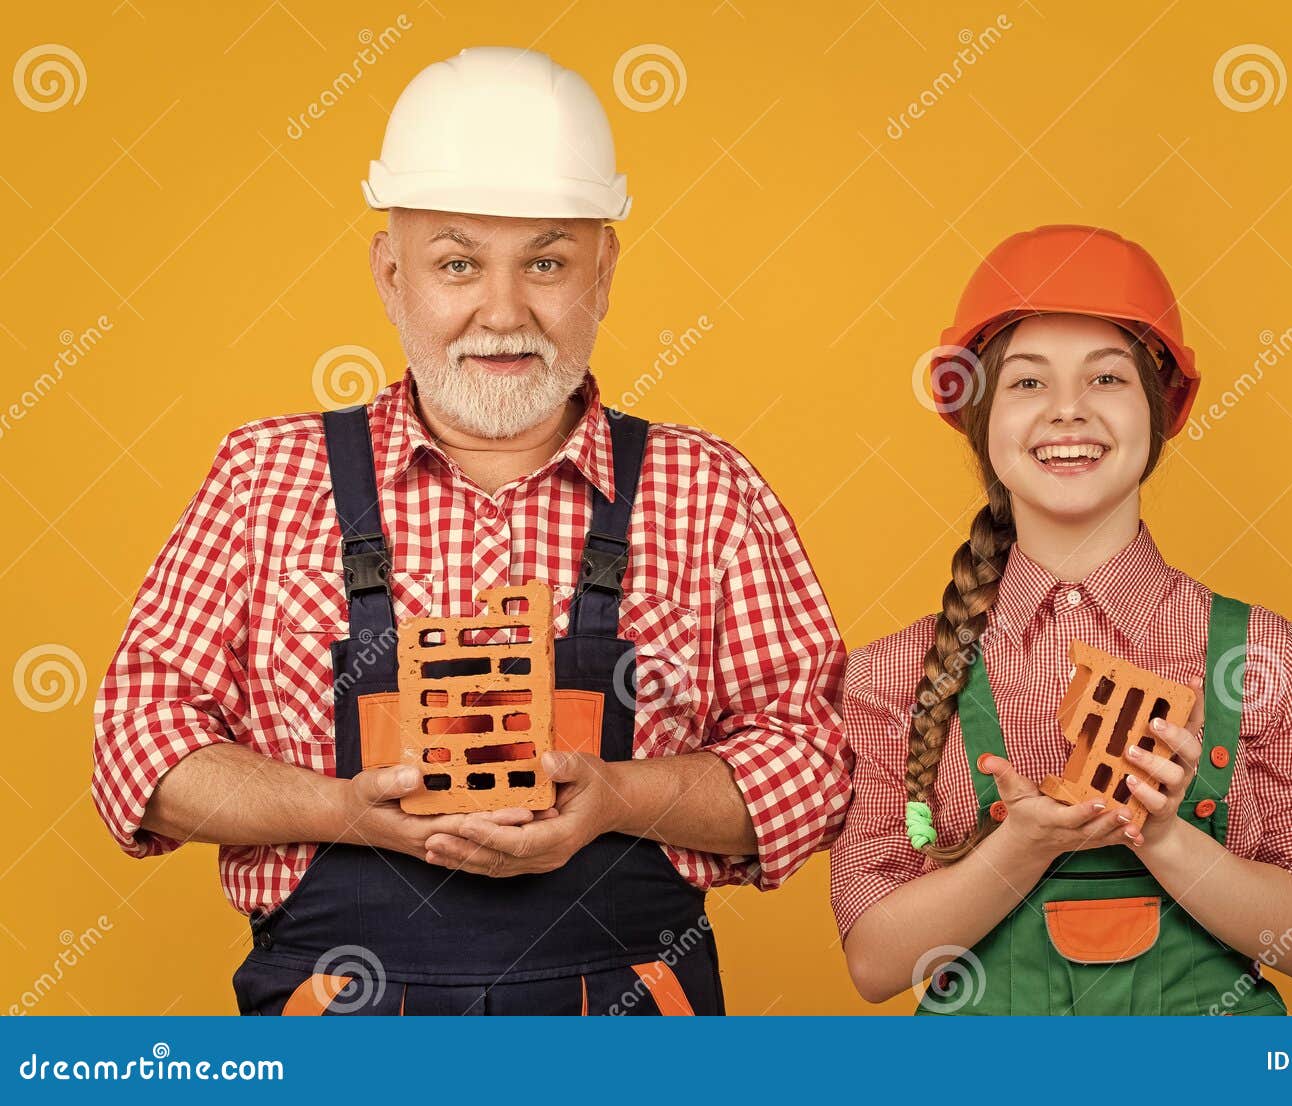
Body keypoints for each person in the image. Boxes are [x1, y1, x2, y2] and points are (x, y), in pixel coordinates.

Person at [91, 47, 849, 1016]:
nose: (501, 311)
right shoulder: (263, 479)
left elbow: (814, 764)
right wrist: (342, 810)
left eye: (546, 261)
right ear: (390, 270)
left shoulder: (707, 490)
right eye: (457, 264)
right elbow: (136, 746)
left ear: (603, 272)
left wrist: (614, 796)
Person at [830, 225, 1292, 1015]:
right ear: (980, 419)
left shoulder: (1263, 656)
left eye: (1107, 379)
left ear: (1162, 407)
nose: (1068, 412)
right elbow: (875, 962)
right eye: (1028, 383)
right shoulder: (892, 675)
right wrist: (1021, 844)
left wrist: (1167, 836)